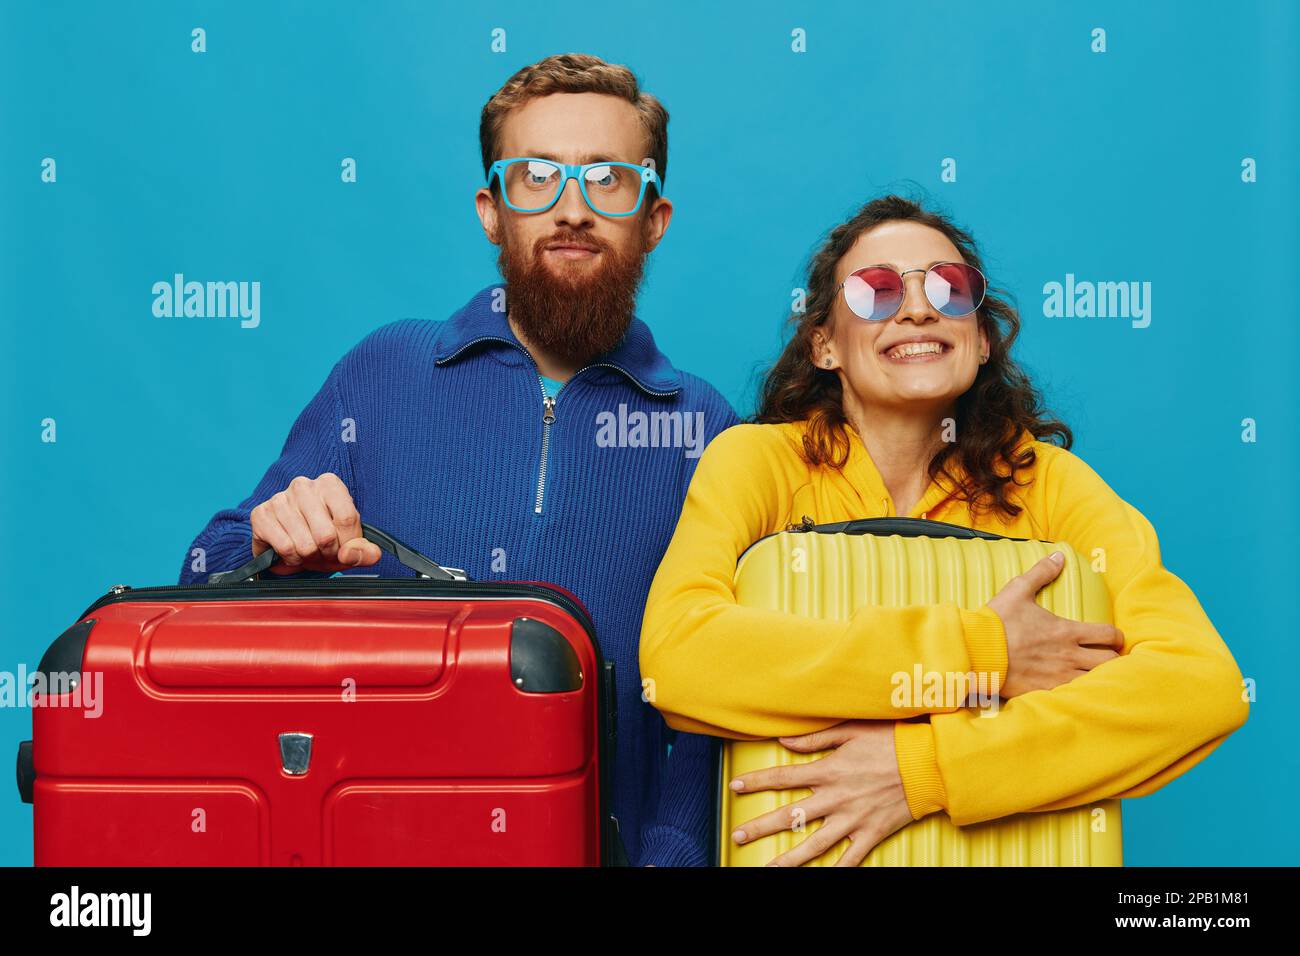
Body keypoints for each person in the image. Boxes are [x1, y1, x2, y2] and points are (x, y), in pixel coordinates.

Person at [181, 53, 738, 867]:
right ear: (491, 210)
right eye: (535, 177)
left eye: (608, 179)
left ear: (654, 218)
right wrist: (273, 542)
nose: (571, 209)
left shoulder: (707, 427)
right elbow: (203, 574)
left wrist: (671, 858)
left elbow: (708, 707)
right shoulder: (384, 372)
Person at [639, 194, 1249, 866]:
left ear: (982, 338)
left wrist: (924, 769)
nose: (918, 308)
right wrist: (985, 655)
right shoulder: (757, 463)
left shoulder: (1049, 485)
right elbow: (678, 661)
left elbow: (1199, 687)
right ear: (825, 344)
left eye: (950, 289)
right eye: (875, 291)